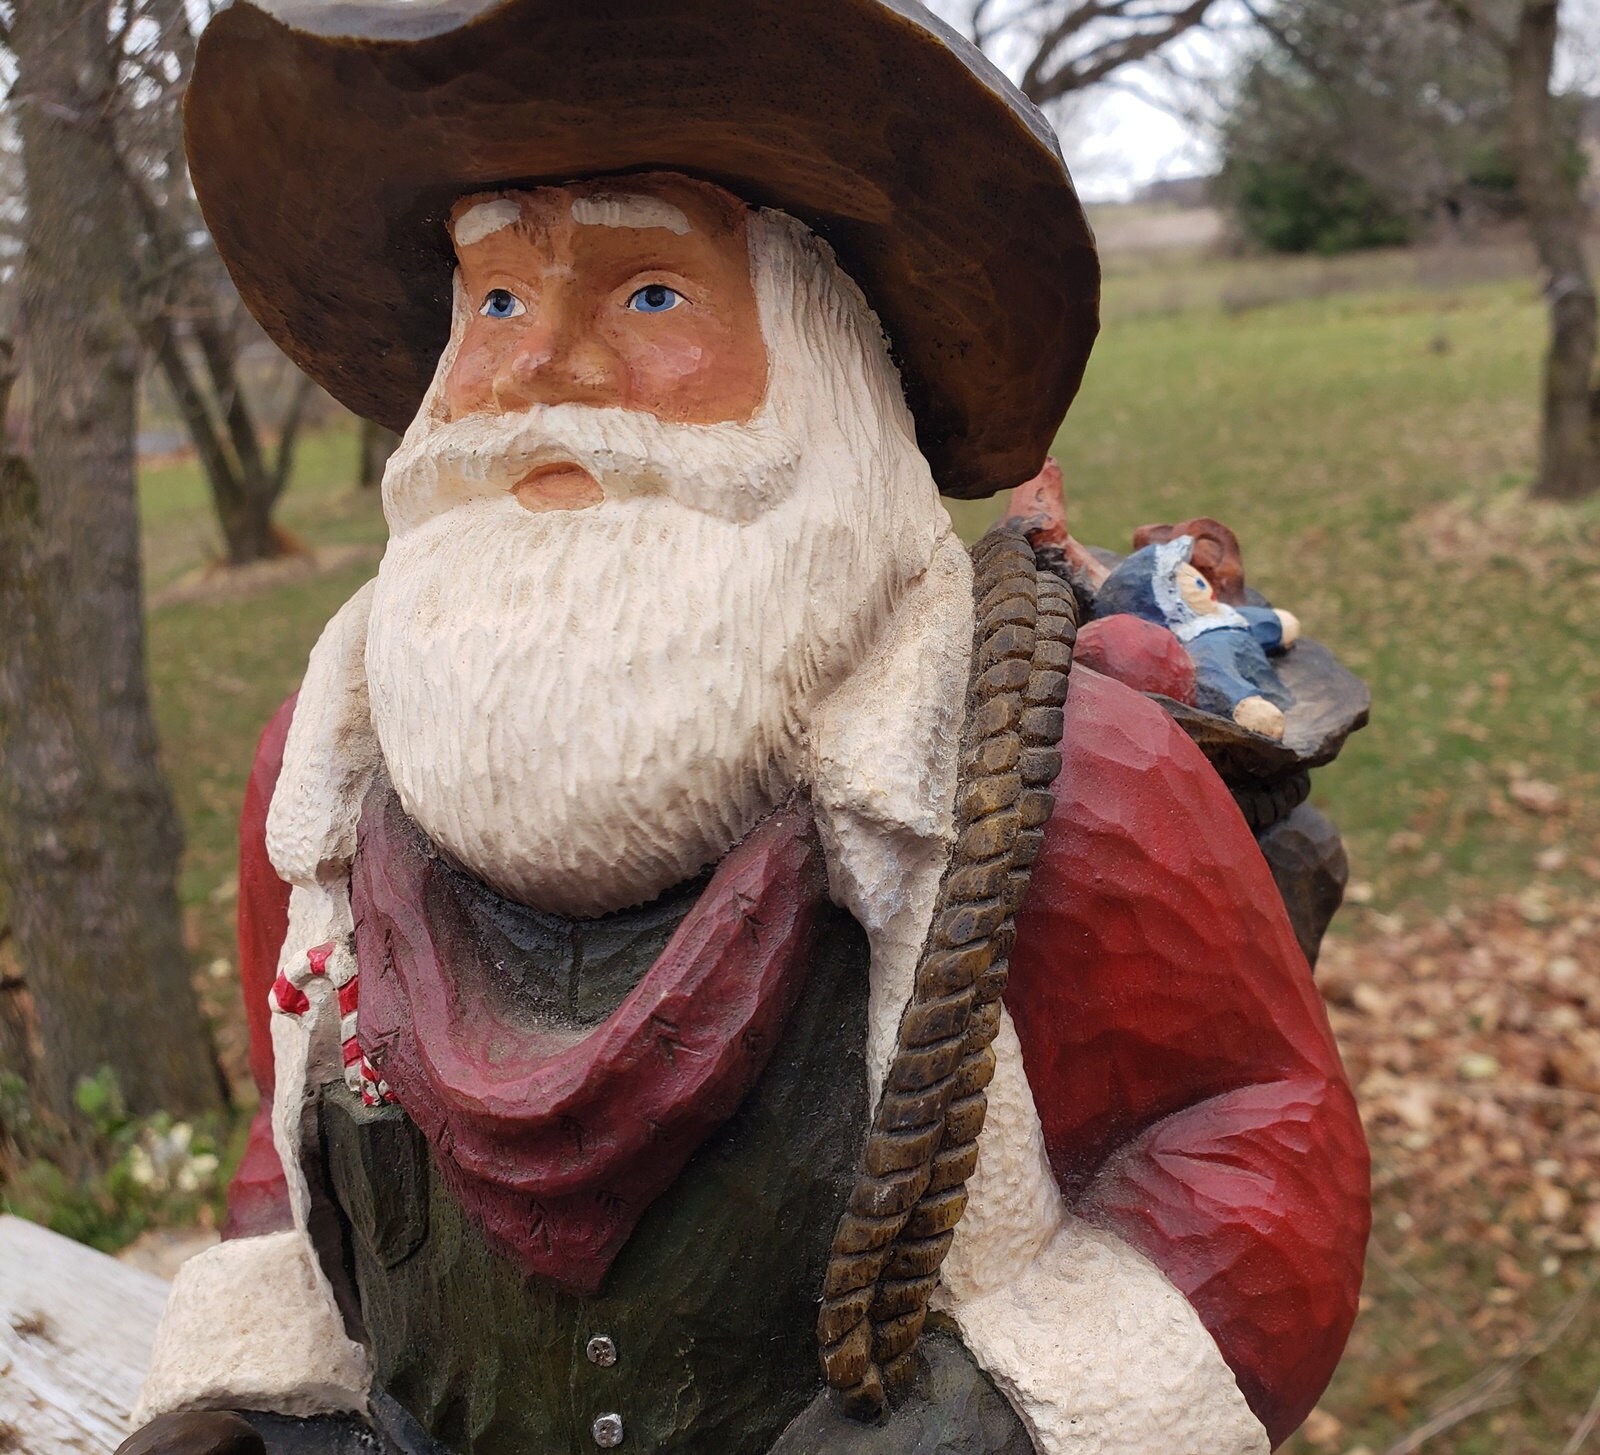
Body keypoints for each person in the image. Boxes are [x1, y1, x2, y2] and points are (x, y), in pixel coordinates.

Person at [122, 3, 1368, 1452]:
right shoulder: (320, 791)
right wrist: (250, 1394)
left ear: (828, 365)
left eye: (652, 297)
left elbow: (1250, 1139)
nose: (543, 369)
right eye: (499, 304)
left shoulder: (1059, 784)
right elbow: (290, 1170)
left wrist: (1001, 1421)